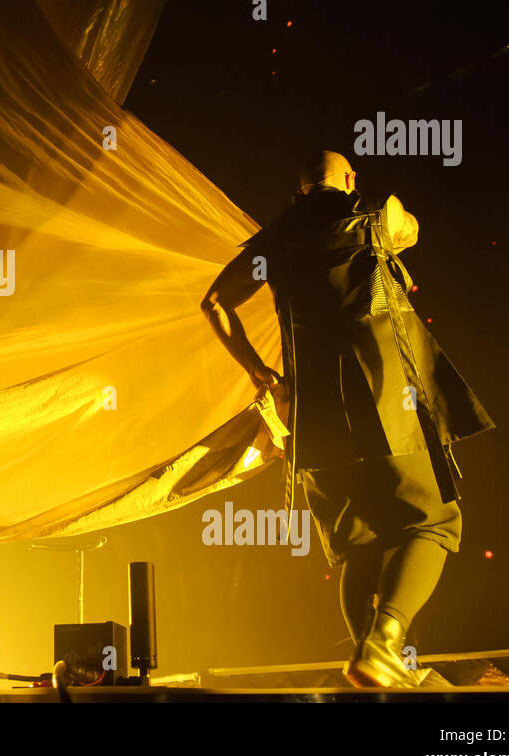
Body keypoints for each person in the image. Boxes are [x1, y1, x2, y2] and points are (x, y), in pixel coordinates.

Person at [200, 150, 493, 687]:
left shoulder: (273, 241)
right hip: (388, 399)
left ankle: (369, 664)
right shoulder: (375, 214)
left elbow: (215, 302)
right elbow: (409, 229)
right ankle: (385, 642)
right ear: (350, 180)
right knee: (433, 521)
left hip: (314, 412)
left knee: (359, 541)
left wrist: (260, 371)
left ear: (301, 190)